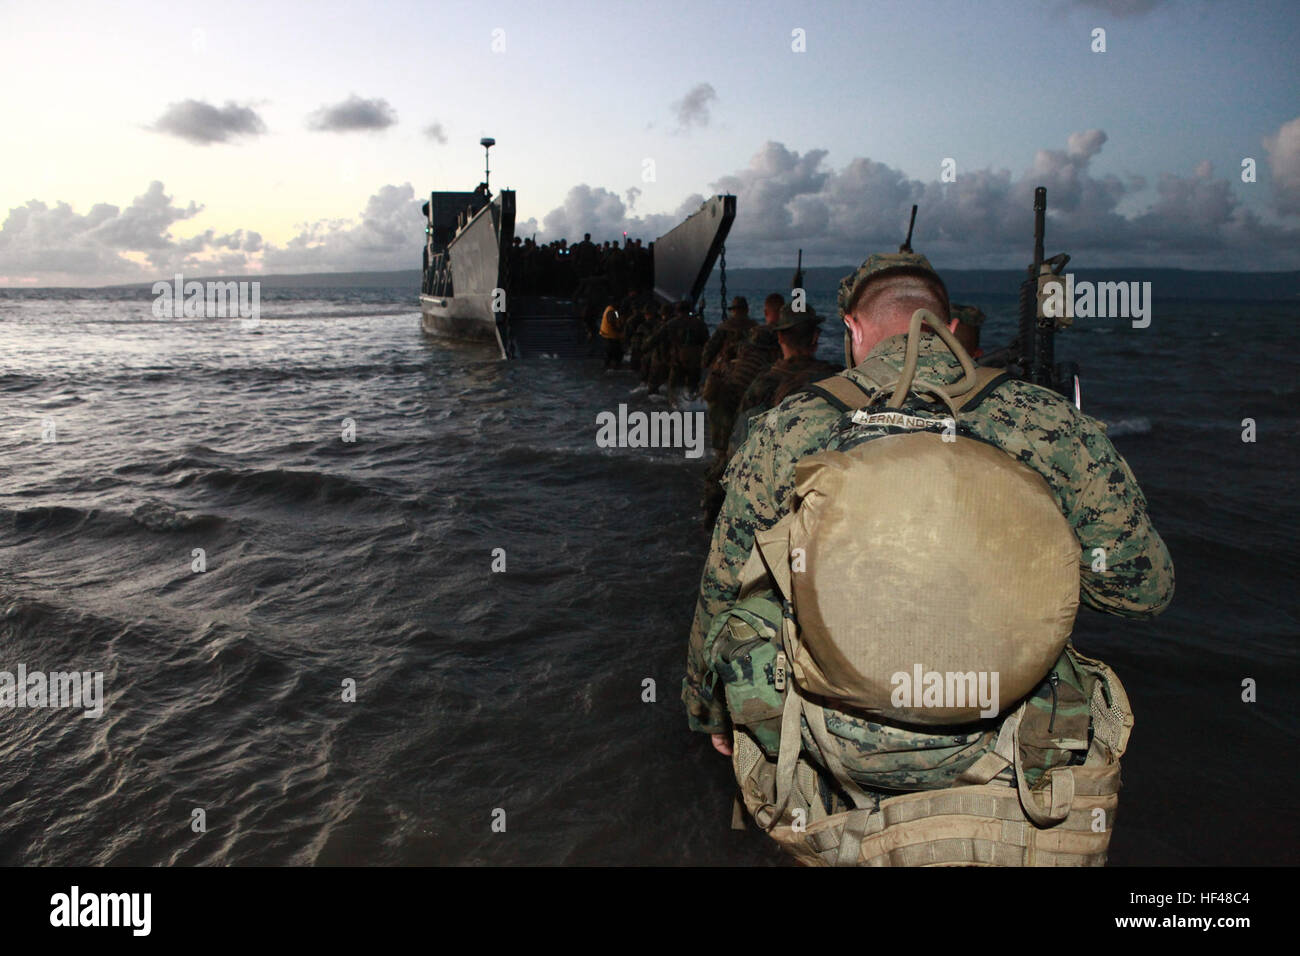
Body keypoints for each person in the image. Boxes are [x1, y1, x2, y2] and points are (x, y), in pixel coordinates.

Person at [682, 247, 1175, 866]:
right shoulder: (1046, 422)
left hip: (836, 748)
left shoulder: (790, 428)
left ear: (853, 330)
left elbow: (724, 593)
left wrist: (709, 714)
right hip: (1008, 746)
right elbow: (1142, 591)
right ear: (946, 324)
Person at [598, 304, 625, 370]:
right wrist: (619, 329)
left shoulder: (614, 310)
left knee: (611, 351)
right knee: (612, 351)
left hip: (610, 335)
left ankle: (610, 364)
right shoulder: (611, 311)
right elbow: (612, 322)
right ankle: (610, 365)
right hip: (610, 335)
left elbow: (617, 318)